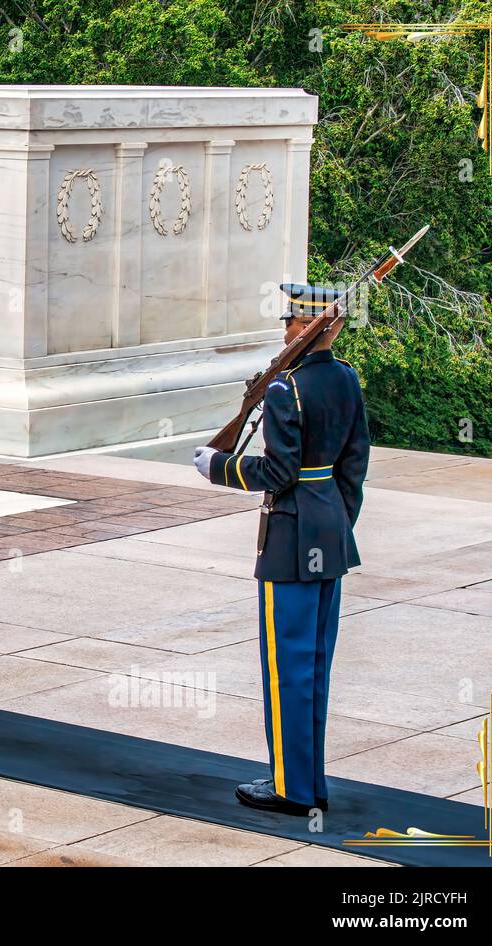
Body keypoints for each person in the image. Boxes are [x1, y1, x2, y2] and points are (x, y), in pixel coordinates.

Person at [192, 283, 371, 816]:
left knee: (287, 665)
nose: (287, 330)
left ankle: (292, 789)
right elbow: (354, 466)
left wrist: (218, 467)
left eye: (293, 322)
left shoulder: (285, 390)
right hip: (331, 537)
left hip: (290, 540)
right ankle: (308, 781)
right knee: (315, 663)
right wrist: (336, 522)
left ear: (311, 328)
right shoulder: (347, 380)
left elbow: (277, 472)